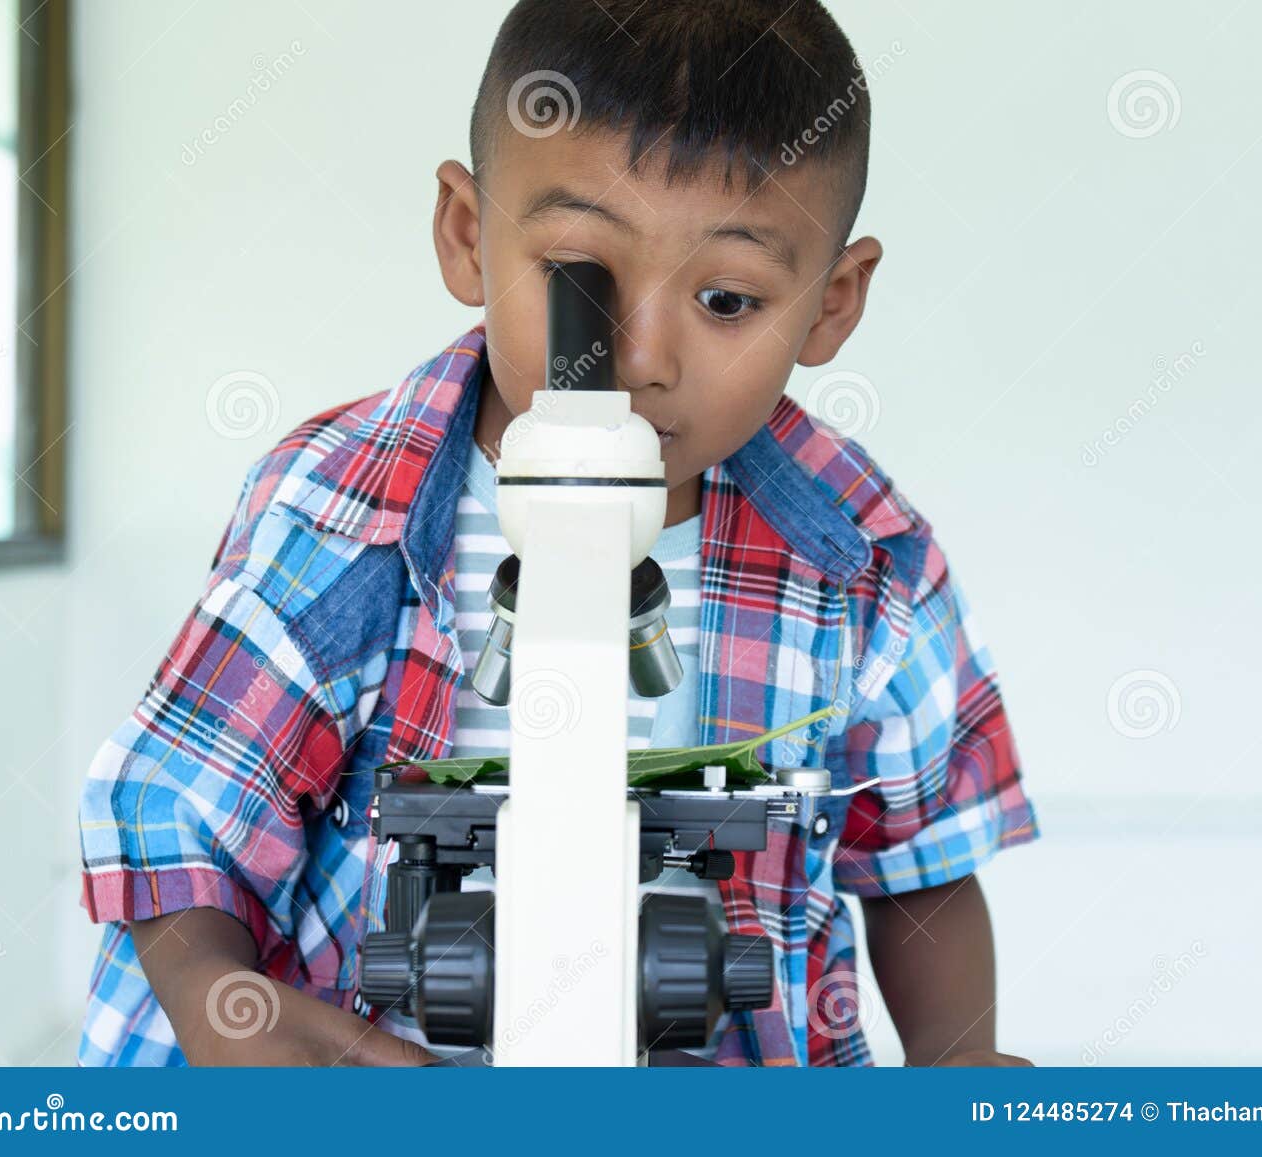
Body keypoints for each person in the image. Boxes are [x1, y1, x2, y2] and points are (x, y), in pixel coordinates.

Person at [76, 0, 1038, 1067]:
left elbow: (920, 867)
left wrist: (962, 1072)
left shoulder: (866, 564)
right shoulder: (342, 508)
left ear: (830, 303)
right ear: (466, 235)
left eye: (725, 298)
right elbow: (174, 817)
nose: (639, 355)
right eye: (580, 282)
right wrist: (222, 1004)